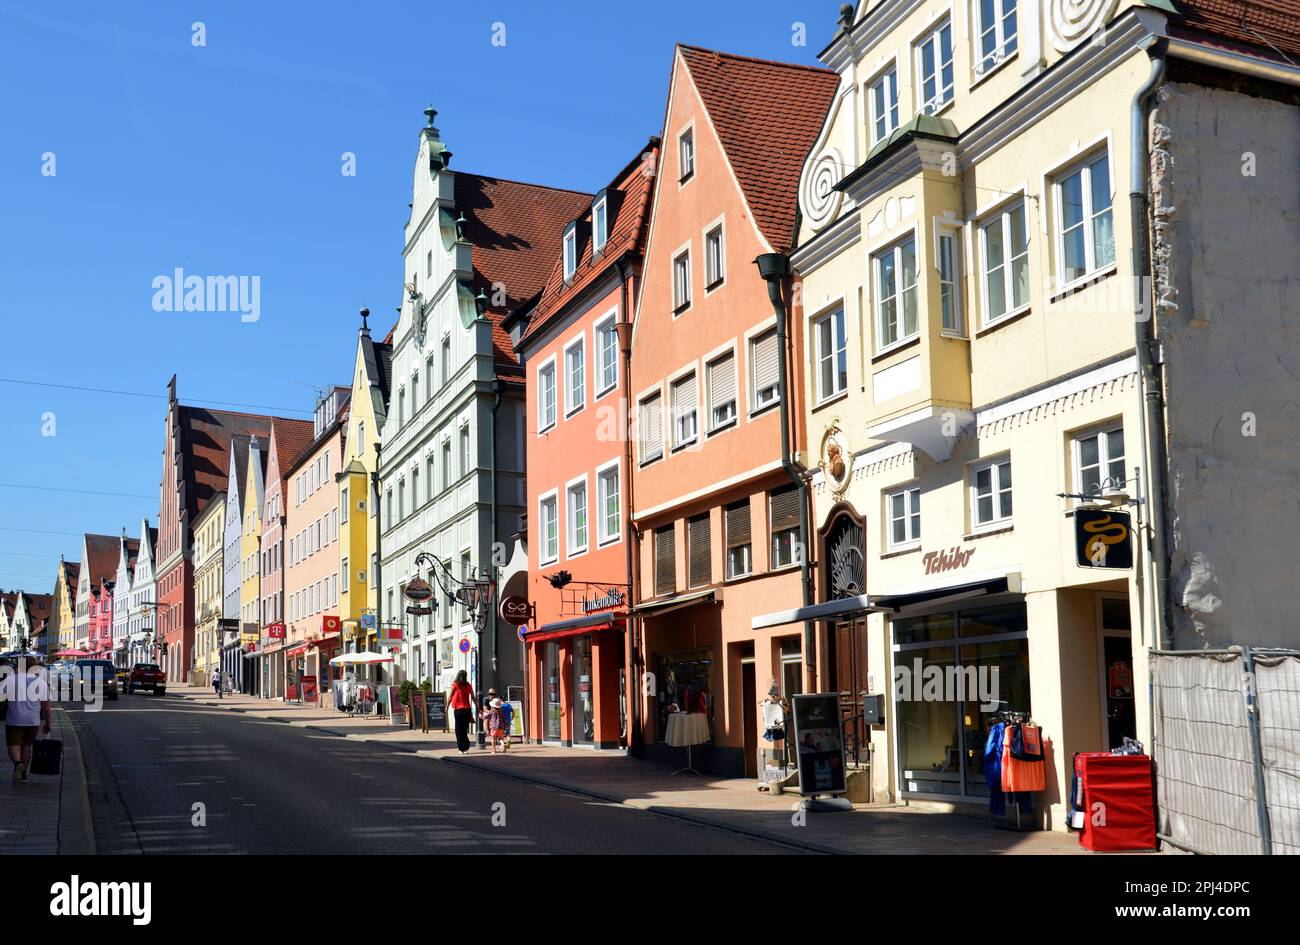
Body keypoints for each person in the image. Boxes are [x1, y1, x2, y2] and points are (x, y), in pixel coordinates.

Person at [6, 658, 52, 785]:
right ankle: (23, 773)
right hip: (33, 720)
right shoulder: (40, 682)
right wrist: (48, 723)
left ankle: (17, 763)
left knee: (13, 745)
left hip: (14, 719)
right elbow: (46, 706)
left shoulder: (11, 680)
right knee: (27, 746)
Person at [446, 670, 476, 755]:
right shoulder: (468, 686)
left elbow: (450, 697)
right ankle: (466, 747)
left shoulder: (455, 685)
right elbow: (473, 697)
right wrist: (477, 706)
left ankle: (461, 748)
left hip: (458, 711)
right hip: (467, 710)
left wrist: (447, 707)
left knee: (458, 730)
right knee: (464, 729)